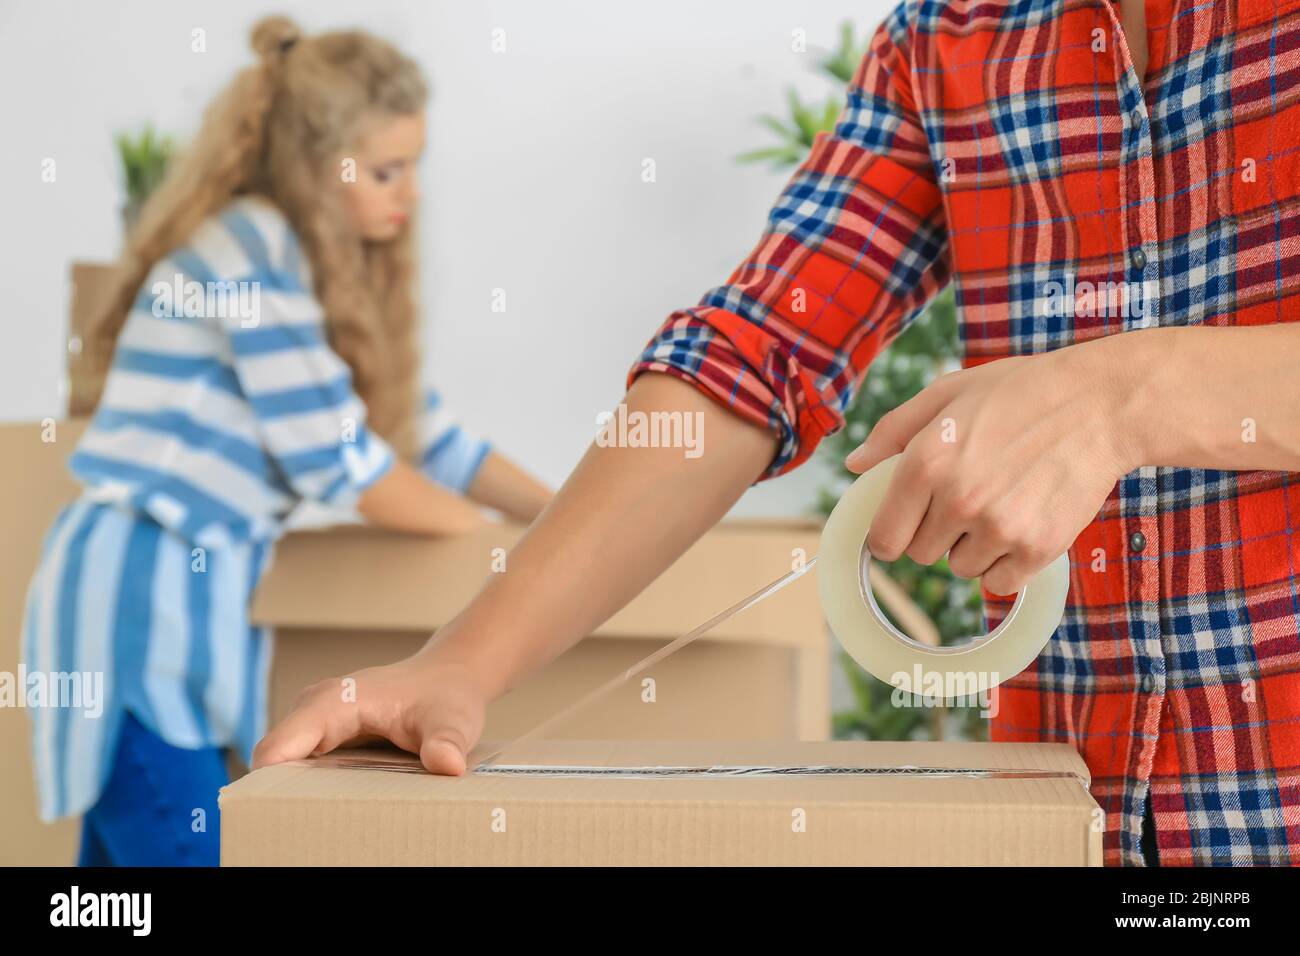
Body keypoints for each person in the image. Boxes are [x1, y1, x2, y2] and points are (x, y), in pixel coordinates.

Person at [257, 0, 1300, 867]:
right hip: (1073, 825)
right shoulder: (952, 34)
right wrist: (463, 665)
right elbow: (754, 352)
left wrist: (1125, 394)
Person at [20, 15, 552, 866]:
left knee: (120, 884)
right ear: (318, 167)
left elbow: (433, 439)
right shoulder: (246, 254)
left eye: (413, 168)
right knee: (181, 850)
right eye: (386, 171)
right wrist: (503, 554)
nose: (407, 193)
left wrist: (563, 523)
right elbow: (343, 460)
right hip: (136, 595)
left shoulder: (312, 276)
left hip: (187, 600)